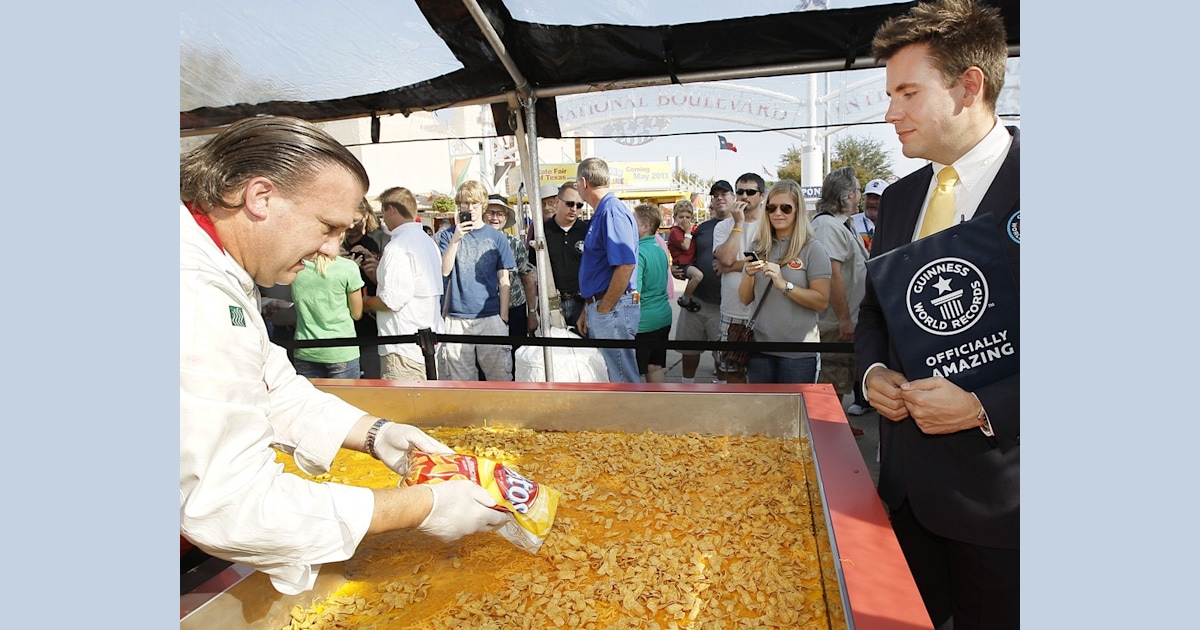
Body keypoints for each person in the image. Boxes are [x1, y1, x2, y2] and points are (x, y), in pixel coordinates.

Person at [180, 116, 507, 595]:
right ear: (260, 197)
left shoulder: (220, 267)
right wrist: (422, 507)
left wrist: (376, 435)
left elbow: (272, 383)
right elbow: (230, 503)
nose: (331, 250)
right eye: (328, 227)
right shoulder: (189, 289)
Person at [858, 1, 1019, 627]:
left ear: (968, 85)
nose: (891, 112)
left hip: (1005, 509)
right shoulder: (897, 200)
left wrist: (984, 407)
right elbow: (873, 314)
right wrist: (872, 374)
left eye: (907, 93)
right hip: (901, 496)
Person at [739, 180, 831, 384]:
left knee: (794, 413)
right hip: (760, 349)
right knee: (763, 412)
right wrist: (749, 273)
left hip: (798, 353)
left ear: (797, 210)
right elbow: (745, 299)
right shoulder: (759, 245)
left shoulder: (812, 249)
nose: (777, 213)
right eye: (771, 208)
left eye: (785, 208)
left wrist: (784, 285)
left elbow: (822, 301)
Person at [362, 186, 444, 381]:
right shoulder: (427, 241)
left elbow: (393, 299)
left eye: (383, 212)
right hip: (427, 343)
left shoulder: (398, 246)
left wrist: (365, 302)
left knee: (404, 410)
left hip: (403, 347)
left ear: (391, 209)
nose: (383, 218)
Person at [811, 166, 871, 431]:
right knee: (832, 377)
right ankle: (829, 430)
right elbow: (832, 275)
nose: (860, 196)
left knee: (842, 375)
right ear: (847, 195)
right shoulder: (827, 226)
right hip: (836, 322)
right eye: (858, 191)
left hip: (846, 318)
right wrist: (845, 319)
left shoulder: (842, 224)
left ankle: (837, 424)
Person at [436, 181, 516, 381]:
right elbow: (445, 271)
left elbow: (504, 277)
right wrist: (456, 239)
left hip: (490, 316)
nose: (469, 208)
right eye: (464, 203)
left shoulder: (497, 238)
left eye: (474, 203)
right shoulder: (447, 235)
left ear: (483, 204)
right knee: (461, 382)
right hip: (456, 317)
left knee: (500, 378)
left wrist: (503, 316)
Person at [575, 157, 641, 383]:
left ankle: (629, 419)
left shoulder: (610, 211)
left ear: (583, 182)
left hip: (613, 307)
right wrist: (590, 306)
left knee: (620, 379)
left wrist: (603, 308)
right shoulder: (605, 211)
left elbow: (625, 264)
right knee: (613, 376)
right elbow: (602, 268)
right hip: (606, 304)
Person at [713, 173, 767, 384]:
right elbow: (725, 258)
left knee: (762, 375)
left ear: (761, 196)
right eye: (740, 192)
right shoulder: (724, 226)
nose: (744, 196)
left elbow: (768, 264)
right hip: (732, 310)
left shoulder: (770, 224)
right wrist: (738, 224)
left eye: (750, 192)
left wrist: (733, 266)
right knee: (731, 370)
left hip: (763, 310)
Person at [672, 188, 726, 383]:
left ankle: (721, 390)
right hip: (696, 302)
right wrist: (676, 268)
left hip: (723, 306)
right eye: (715, 195)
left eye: (725, 194)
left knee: (723, 357)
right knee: (689, 351)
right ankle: (687, 388)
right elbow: (686, 252)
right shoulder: (701, 229)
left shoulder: (741, 227)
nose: (720, 198)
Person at [289, 252, 365, 379]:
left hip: (306, 347)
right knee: (344, 399)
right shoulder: (348, 267)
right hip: (341, 349)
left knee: (309, 399)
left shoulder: (295, 267)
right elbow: (357, 314)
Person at [485, 193, 539, 343]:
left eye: (500, 213)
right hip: (484, 311)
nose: (495, 217)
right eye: (490, 212)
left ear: (506, 217)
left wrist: (532, 313)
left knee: (516, 354)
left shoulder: (515, 244)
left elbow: (527, 279)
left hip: (515, 309)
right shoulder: (474, 241)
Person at [632, 204, 672, 383]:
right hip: (663, 317)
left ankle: (641, 409)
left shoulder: (639, 253)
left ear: (645, 226)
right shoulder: (660, 249)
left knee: (634, 371)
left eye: (633, 223)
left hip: (644, 322)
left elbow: (635, 292)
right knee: (655, 366)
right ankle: (661, 407)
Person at [344, 199, 383, 378]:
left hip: (371, 323)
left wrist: (376, 270)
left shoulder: (379, 240)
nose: (351, 226)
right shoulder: (336, 245)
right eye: (348, 220)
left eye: (356, 220)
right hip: (344, 322)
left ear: (366, 216)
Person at [543, 181, 589, 328]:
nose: (574, 209)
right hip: (552, 303)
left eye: (579, 205)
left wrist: (588, 307)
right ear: (557, 202)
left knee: (584, 350)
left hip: (582, 303)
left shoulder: (587, 231)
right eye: (570, 203)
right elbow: (533, 270)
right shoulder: (541, 232)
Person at [666, 200, 704, 313]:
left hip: (691, 262)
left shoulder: (690, 232)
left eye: (688, 217)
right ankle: (685, 298)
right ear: (675, 217)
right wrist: (688, 231)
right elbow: (685, 246)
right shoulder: (675, 231)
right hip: (683, 264)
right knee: (698, 276)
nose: (684, 220)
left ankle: (690, 297)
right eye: (681, 217)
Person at [851, 178, 887, 253]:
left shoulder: (895, 224)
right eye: (869, 197)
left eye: (876, 198)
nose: (871, 202)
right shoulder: (851, 223)